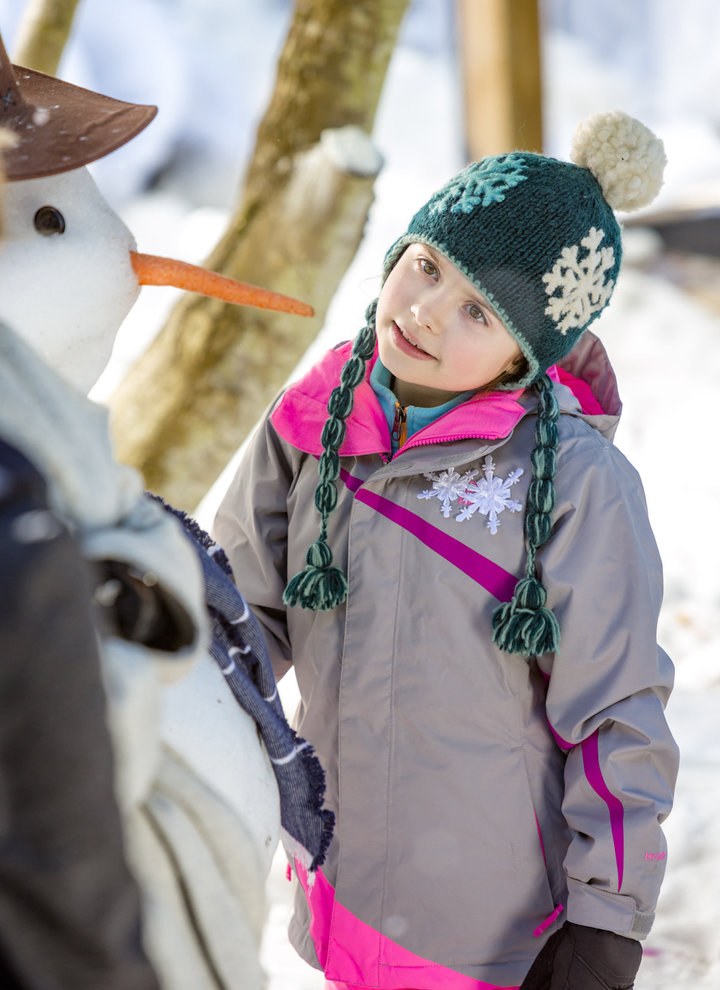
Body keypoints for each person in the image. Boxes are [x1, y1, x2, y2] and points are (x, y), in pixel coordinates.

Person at [212, 110, 679, 990]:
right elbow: (238, 610)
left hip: (494, 933)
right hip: (338, 885)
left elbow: (618, 714)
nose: (425, 312)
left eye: (478, 309)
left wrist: (606, 925)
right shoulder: (316, 417)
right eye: (426, 267)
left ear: (521, 357)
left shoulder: (578, 485)